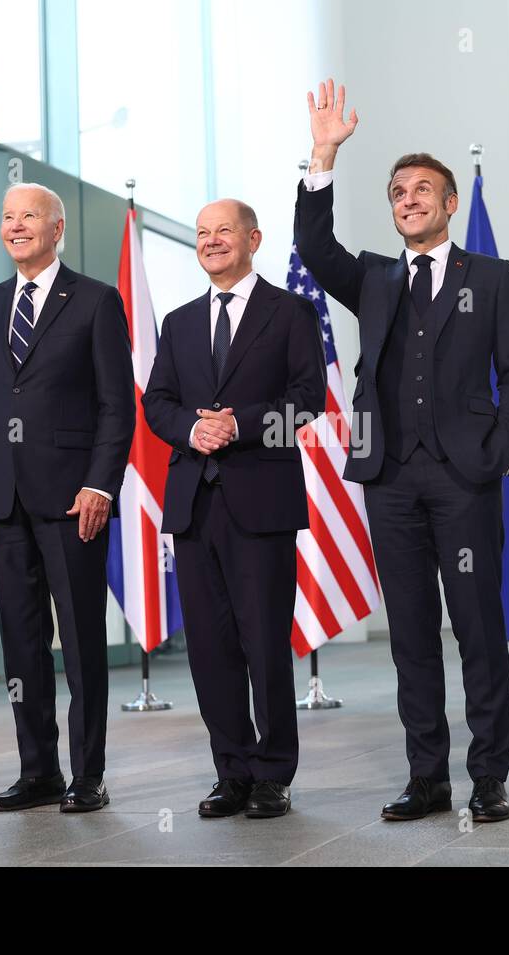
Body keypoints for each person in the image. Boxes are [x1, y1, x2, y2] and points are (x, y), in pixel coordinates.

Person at [295, 80, 509, 823]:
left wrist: (497, 452)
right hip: (390, 478)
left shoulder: (490, 279)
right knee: (410, 637)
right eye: (399, 191)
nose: (409, 199)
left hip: (465, 478)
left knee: (476, 629)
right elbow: (312, 246)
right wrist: (323, 157)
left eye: (423, 189)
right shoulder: (372, 277)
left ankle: (488, 778)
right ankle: (425, 777)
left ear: (449, 203)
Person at [0, 183, 135, 813]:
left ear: (57, 229)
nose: (15, 225)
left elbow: (117, 406)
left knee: (81, 642)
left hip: (72, 500)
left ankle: (88, 775)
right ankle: (38, 772)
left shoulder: (96, 302)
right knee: (21, 644)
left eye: (29, 216)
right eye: (7, 217)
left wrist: (100, 483)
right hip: (2, 503)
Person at [144, 199, 325, 819]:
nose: (212, 241)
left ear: (253, 238)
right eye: (202, 234)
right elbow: (157, 402)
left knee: (264, 643)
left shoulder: (291, 312)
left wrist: (238, 426)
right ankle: (233, 770)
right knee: (211, 649)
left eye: (224, 231)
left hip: (262, 503)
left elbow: (308, 401)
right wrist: (193, 433)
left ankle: (274, 772)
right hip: (194, 504)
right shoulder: (180, 321)